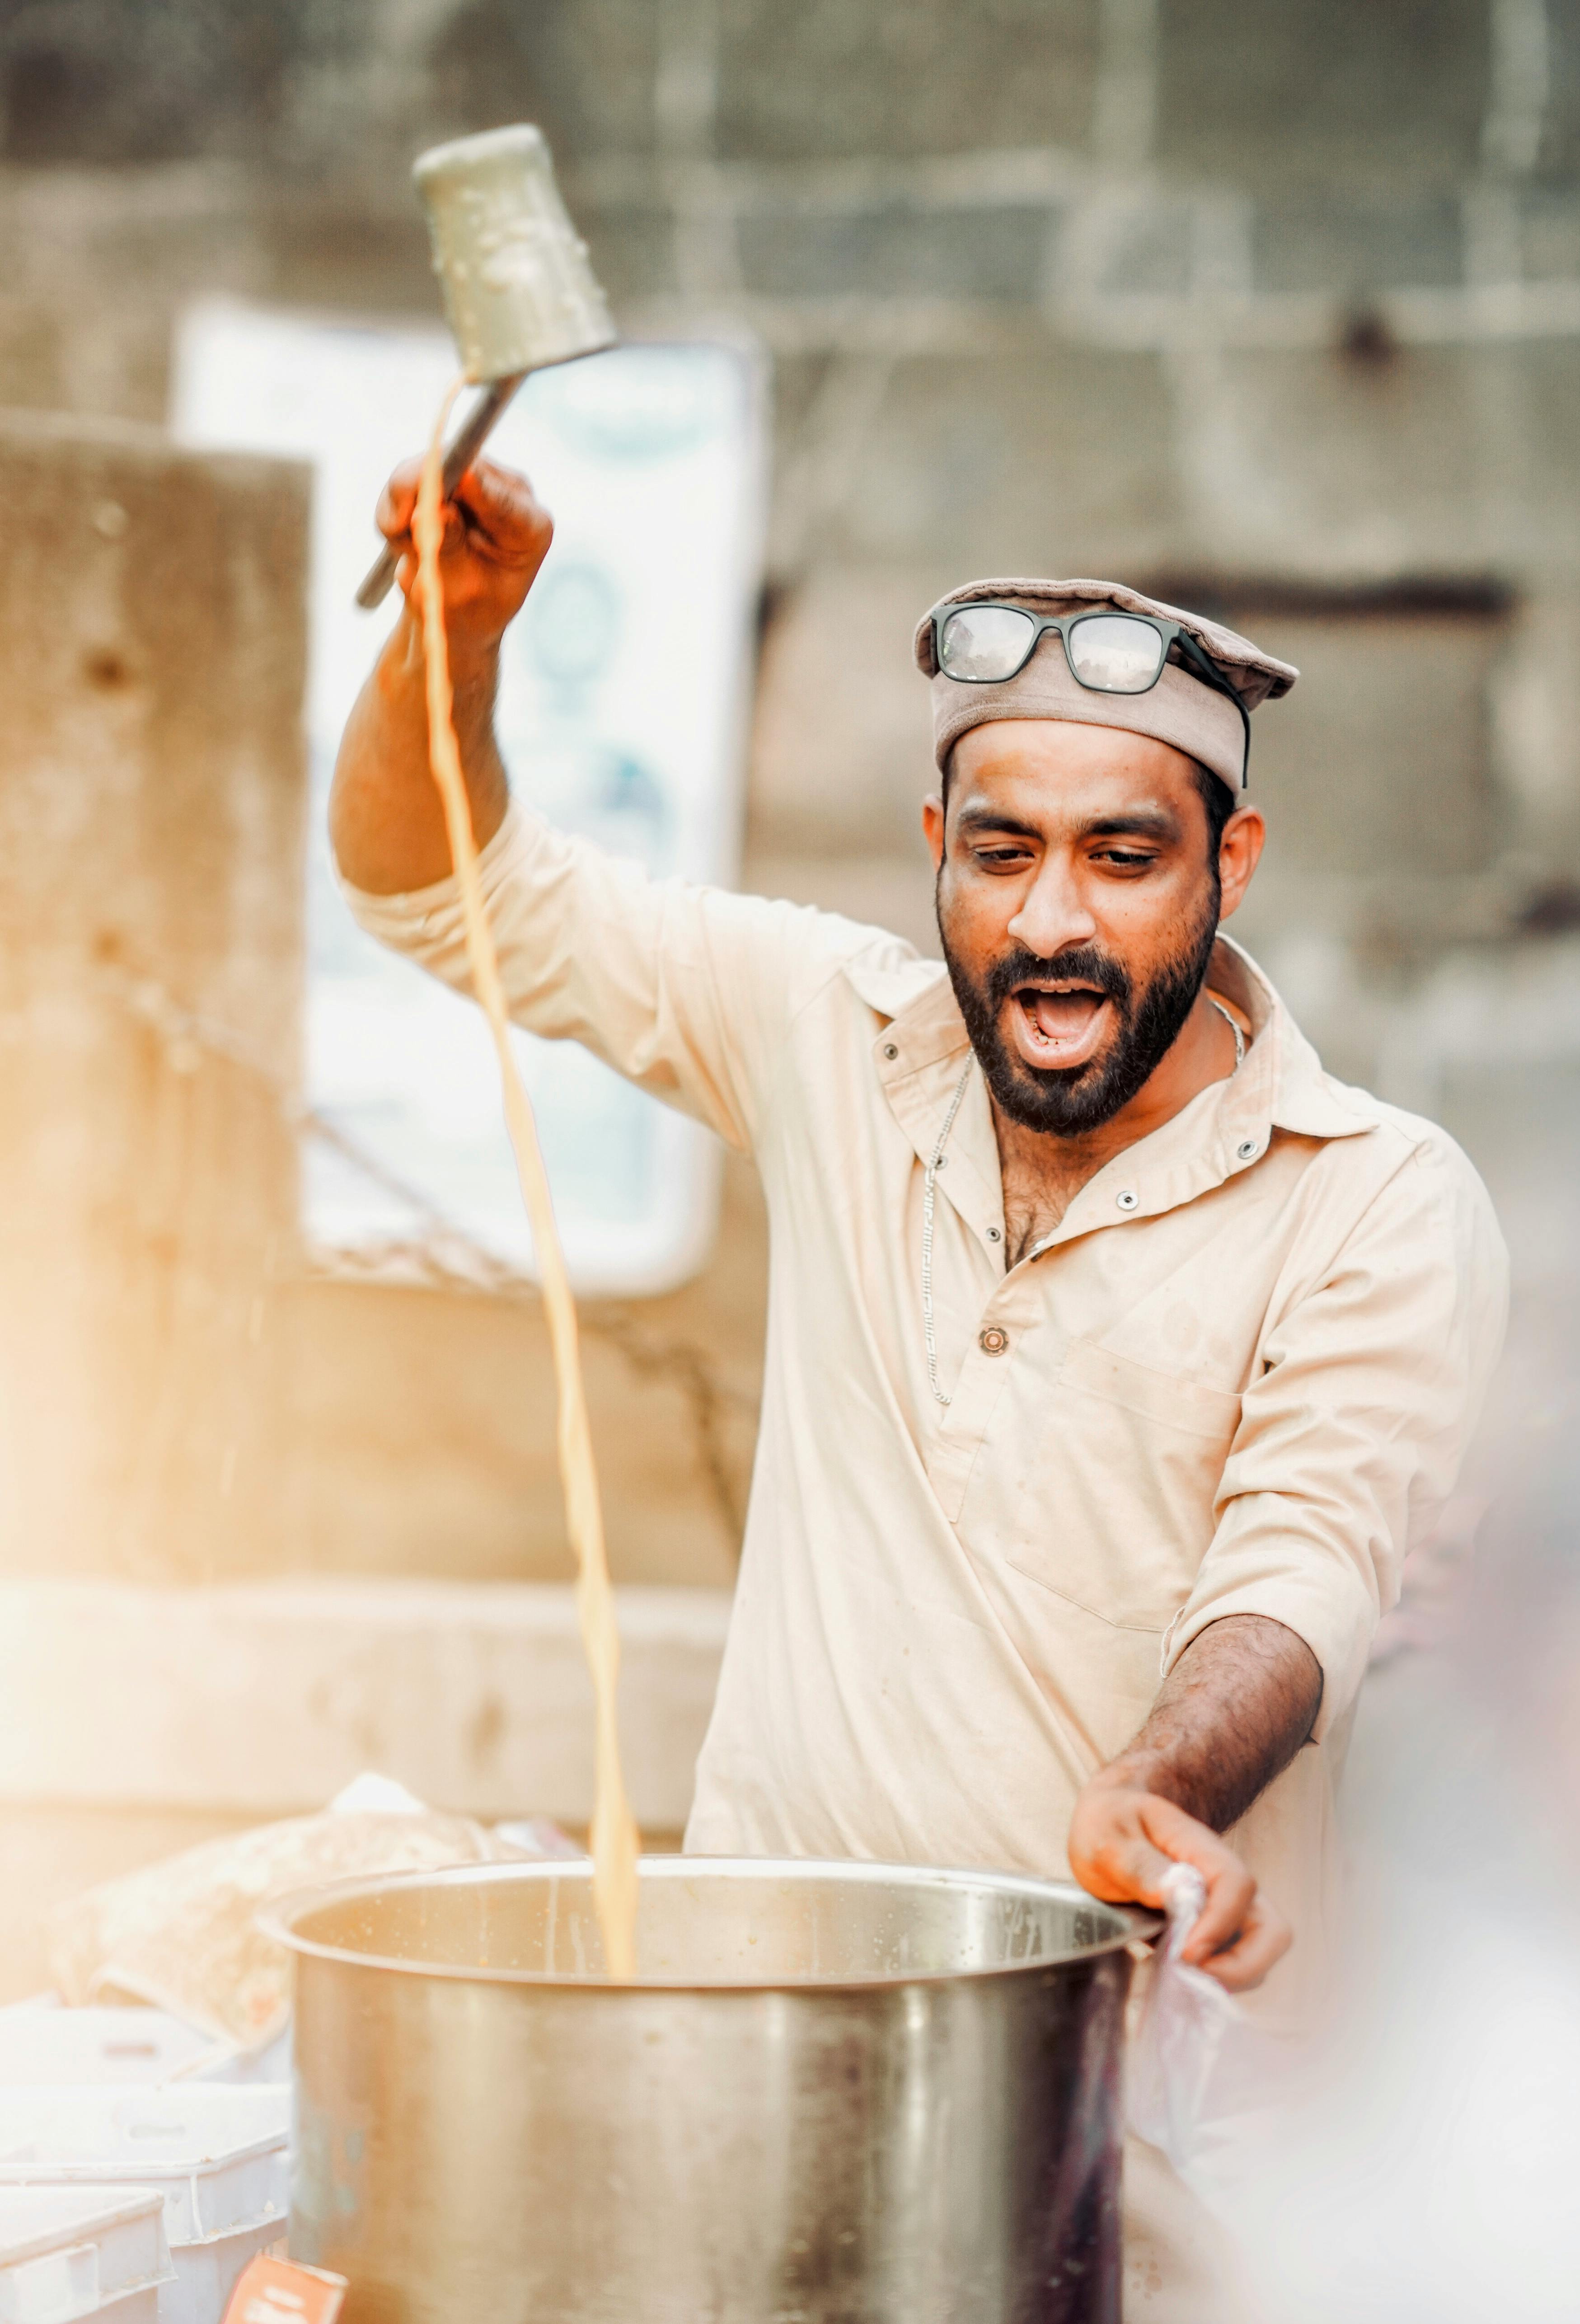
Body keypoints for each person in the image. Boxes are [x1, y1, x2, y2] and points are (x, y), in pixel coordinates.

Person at [333, 458, 1509, 2315]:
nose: (1051, 924)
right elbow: (438, 883)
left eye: (1123, 855)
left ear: (1230, 864)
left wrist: (1153, 1786)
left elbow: (1306, 1563)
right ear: (937, 842)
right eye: (1002, 850)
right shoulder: (837, 1034)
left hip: (1134, 2132)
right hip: (757, 2077)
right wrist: (450, 641)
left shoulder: (1375, 1195)